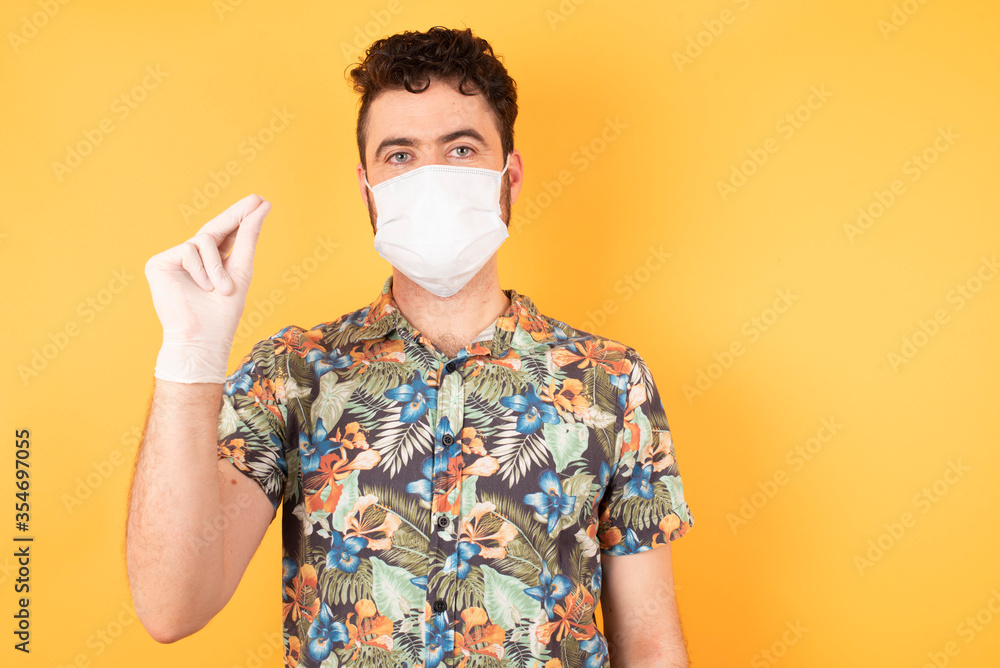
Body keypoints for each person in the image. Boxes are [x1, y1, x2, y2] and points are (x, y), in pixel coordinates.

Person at [126, 26, 695, 668]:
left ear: (509, 175)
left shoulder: (611, 382)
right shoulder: (290, 374)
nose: (429, 176)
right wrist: (190, 353)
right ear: (368, 189)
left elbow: (649, 645)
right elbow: (171, 608)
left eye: (459, 149)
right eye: (399, 155)